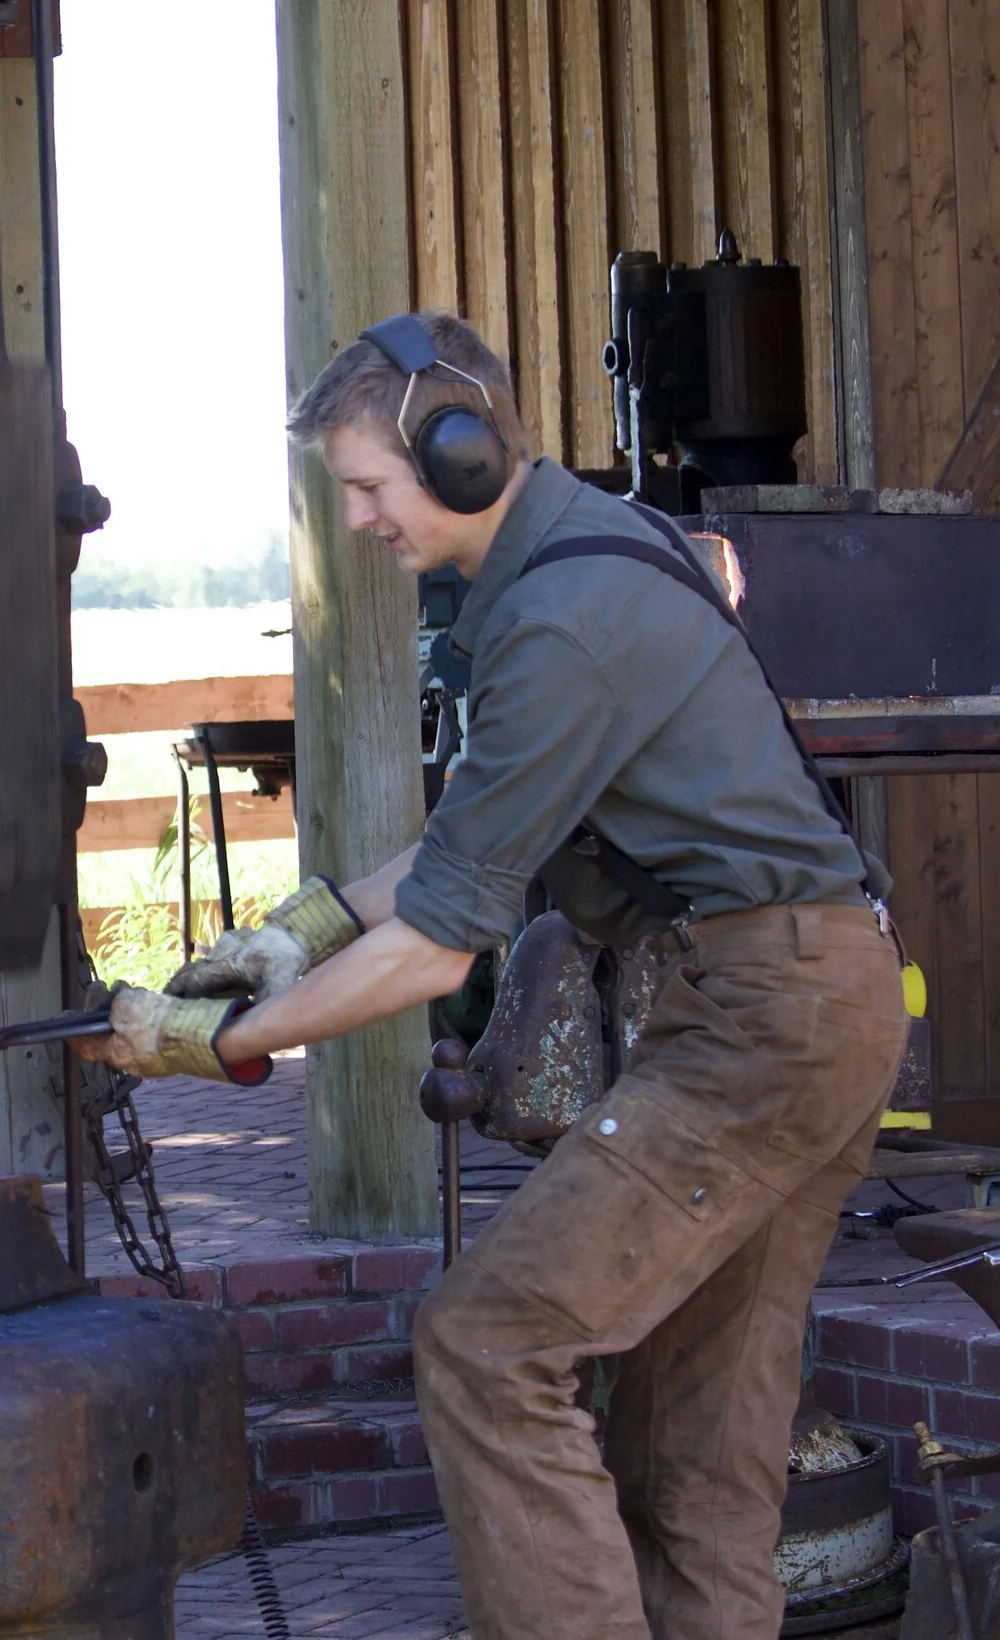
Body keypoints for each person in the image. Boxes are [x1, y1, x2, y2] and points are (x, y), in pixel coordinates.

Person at [77, 313, 909, 1640]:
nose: (357, 520)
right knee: (694, 1455)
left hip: (763, 1020)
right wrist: (301, 926)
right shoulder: (576, 555)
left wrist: (201, 1042)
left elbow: (440, 944)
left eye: (366, 486)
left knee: (488, 1342)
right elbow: (473, 847)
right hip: (811, 998)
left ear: (461, 457)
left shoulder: (564, 620)